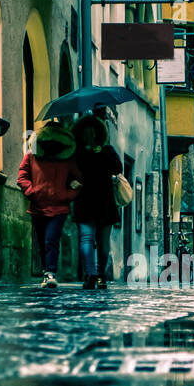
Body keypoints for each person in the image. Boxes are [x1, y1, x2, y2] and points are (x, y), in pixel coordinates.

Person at [17, 121, 82, 288]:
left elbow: (78, 180)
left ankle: (50, 272)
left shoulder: (67, 158)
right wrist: (33, 192)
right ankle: (47, 272)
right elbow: (22, 175)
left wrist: (66, 196)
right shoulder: (32, 155)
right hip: (38, 206)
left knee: (50, 240)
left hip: (59, 207)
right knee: (42, 242)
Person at [72, 112, 123, 290]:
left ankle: (96, 274)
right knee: (93, 241)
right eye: (87, 133)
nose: (90, 136)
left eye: (91, 133)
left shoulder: (105, 151)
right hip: (92, 202)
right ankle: (94, 275)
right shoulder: (79, 153)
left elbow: (118, 168)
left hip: (99, 203)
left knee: (96, 243)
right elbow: (71, 174)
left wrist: (103, 154)